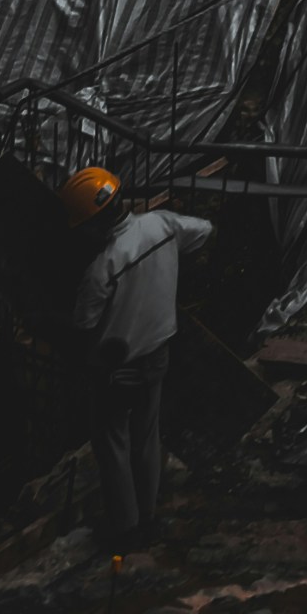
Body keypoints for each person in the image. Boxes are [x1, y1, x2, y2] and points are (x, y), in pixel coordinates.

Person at [66, 167, 211, 544]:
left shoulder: (103, 267)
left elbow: (82, 324)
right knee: (147, 435)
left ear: (94, 222)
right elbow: (206, 230)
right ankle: (147, 516)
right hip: (159, 352)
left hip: (117, 368)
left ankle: (125, 528)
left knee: (112, 441)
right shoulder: (162, 225)